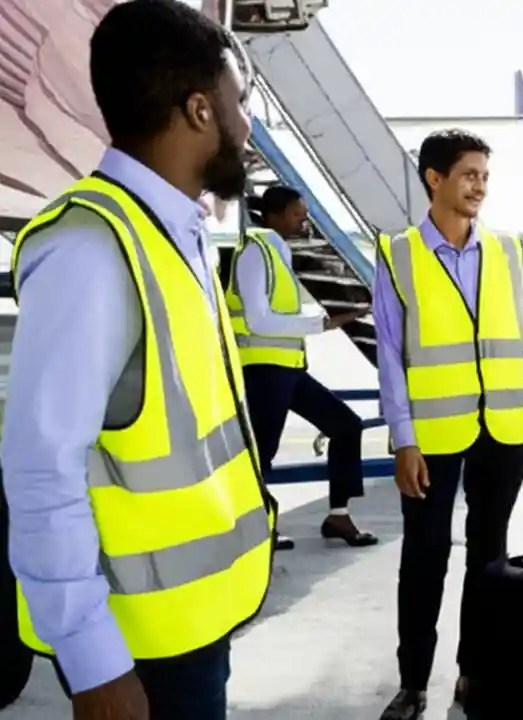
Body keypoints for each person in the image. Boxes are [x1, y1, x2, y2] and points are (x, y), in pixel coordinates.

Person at [0, 1, 275, 718]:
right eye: (237, 104)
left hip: (189, 625)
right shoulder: (92, 250)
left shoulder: (173, 232)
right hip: (139, 652)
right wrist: (93, 664)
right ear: (197, 111)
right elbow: (39, 467)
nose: (247, 128)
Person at [374, 128, 523, 720]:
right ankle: (412, 684)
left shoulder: (506, 250)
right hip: (432, 437)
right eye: (469, 175)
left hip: (503, 431)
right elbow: (390, 353)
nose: (480, 185)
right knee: (425, 559)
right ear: (434, 178)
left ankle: (473, 674)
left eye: (485, 175)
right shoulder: (399, 254)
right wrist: (403, 438)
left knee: (490, 561)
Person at [226, 184, 375, 550]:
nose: (304, 219)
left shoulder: (279, 253)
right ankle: (258, 527)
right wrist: (321, 323)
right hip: (262, 368)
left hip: (288, 368)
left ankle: (338, 516)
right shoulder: (255, 254)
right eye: (297, 213)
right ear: (275, 215)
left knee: (346, 426)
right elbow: (259, 320)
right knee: (262, 450)